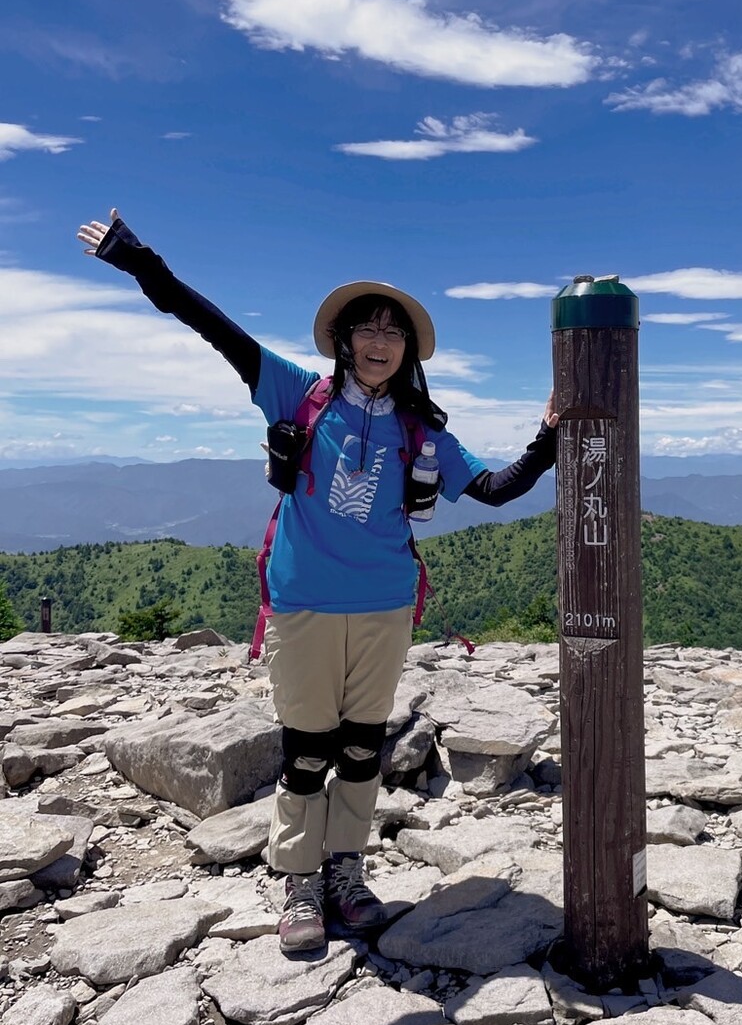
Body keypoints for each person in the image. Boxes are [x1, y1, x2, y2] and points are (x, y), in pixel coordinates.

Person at [76, 209, 558, 952]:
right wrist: (142, 263)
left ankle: (346, 869)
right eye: (365, 328)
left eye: (392, 331)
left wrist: (549, 437)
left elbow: (493, 488)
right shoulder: (298, 394)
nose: (378, 341)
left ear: (407, 349)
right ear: (342, 338)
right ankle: (299, 877)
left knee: (363, 748)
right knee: (307, 749)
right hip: (301, 604)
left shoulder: (421, 428)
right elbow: (216, 329)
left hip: (385, 608)